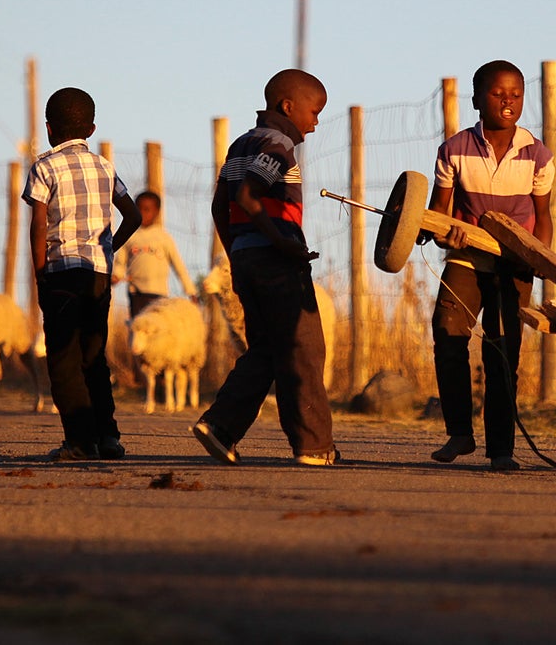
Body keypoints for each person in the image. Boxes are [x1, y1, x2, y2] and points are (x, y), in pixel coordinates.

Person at [192, 68, 338, 466]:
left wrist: (236, 254)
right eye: (314, 111)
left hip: (246, 256)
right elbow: (247, 194)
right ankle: (314, 446)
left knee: (268, 349)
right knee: (304, 348)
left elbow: (221, 206)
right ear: (287, 106)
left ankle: (221, 426)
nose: (316, 122)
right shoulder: (278, 145)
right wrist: (281, 242)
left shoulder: (242, 143)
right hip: (277, 262)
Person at [424, 59, 554, 472]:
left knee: (502, 352)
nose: (507, 101)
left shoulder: (538, 155)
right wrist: (445, 234)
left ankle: (501, 450)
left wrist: (540, 257)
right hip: (466, 259)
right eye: (497, 94)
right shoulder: (454, 150)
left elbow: (543, 217)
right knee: (447, 334)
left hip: (514, 265)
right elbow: (438, 212)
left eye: (516, 94)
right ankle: (460, 433)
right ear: (477, 100)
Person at [23, 87, 140, 462]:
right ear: (91, 129)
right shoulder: (104, 167)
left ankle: (79, 440)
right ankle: (108, 438)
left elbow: (39, 225)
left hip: (61, 273)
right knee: (93, 357)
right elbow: (133, 215)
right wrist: (108, 248)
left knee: (63, 360)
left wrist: (40, 274)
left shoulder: (44, 168)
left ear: (49, 128)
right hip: (98, 275)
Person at [113, 190, 199, 319]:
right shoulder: (130, 237)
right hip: (136, 293)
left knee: (157, 326)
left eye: (147, 210)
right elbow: (120, 262)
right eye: (139, 209)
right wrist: (117, 275)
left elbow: (179, 266)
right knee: (138, 325)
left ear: (157, 212)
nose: (142, 213)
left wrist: (190, 291)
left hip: (159, 294)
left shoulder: (163, 238)